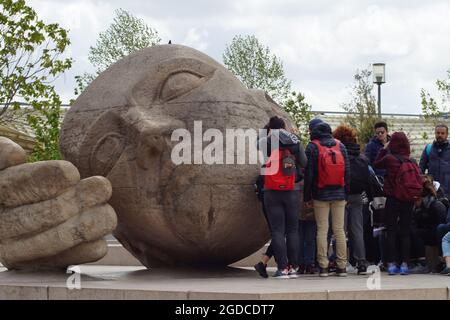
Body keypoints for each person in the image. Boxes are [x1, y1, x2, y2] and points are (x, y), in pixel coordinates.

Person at [304, 122, 350, 277]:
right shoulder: (340, 146)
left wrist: (307, 196)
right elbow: (347, 172)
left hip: (320, 194)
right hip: (339, 194)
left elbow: (309, 174)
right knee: (339, 230)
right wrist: (346, 193)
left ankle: (323, 266)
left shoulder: (312, 147)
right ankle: (342, 266)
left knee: (322, 230)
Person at [263, 116, 307, 278]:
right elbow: (305, 162)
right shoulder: (295, 141)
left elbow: (257, 147)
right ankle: (293, 267)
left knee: (277, 231)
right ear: (284, 127)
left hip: (271, 189)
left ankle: (282, 268)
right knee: (293, 230)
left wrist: (266, 131)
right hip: (291, 189)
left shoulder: (268, 140)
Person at [373, 131, 421, 275]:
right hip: (408, 199)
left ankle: (392, 264)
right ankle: (405, 264)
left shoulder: (389, 158)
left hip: (393, 198)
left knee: (391, 232)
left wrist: (384, 148)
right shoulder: (412, 161)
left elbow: (376, 164)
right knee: (406, 232)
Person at [333, 124, 370, 275]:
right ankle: (361, 262)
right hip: (357, 196)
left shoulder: (338, 153)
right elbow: (367, 178)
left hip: (341, 195)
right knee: (357, 230)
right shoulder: (362, 156)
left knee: (340, 230)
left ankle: (340, 262)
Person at [409, 175, 447, 273]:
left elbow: (440, 224)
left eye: (416, 199)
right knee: (410, 231)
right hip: (428, 230)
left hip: (434, 232)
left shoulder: (436, 205)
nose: (414, 202)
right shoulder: (419, 207)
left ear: (421, 198)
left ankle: (423, 263)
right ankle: (413, 262)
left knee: (416, 234)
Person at [419, 124, 450, 198]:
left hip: (447, 190)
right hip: (432, 190)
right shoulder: (428, 148)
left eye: (442, 133)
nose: (440, 135)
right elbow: (421, 168)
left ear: (447, 135)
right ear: (435, 133)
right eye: (438, 133)